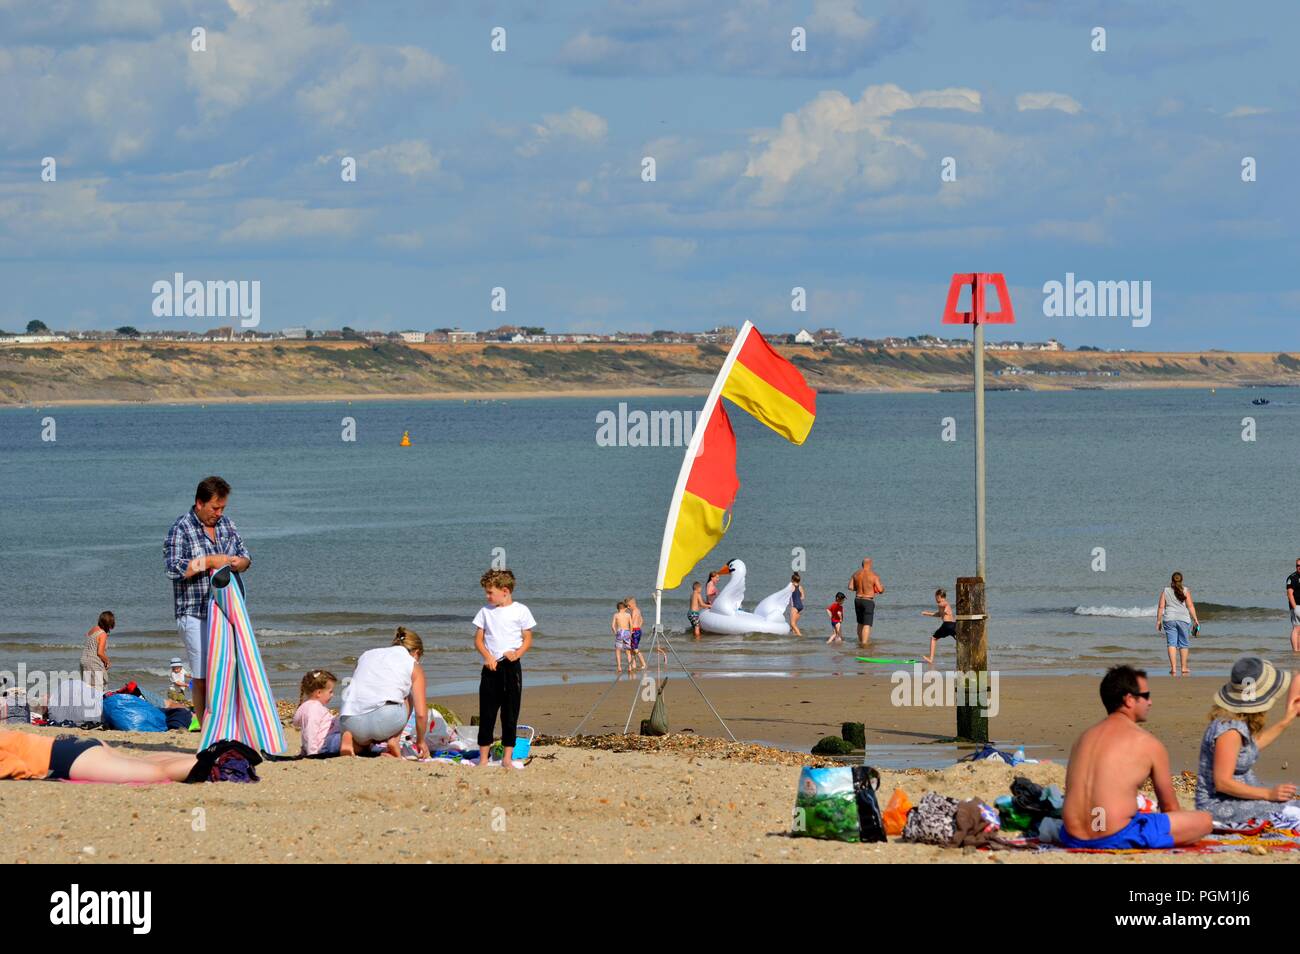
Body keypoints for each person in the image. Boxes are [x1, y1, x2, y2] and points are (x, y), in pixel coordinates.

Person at [1060, 665, 1212, 850]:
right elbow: (1170, 807)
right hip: (1114, 835)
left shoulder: (1083, 738)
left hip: (1071, 835)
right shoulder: (1148, 743)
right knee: (1204, 820)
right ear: (1130, 700)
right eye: (1146, 696)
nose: (1150, 702)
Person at [163, 476, 251, 724]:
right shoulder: (181, 528)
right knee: (203, 674)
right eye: (215, 508)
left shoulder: (227, 525)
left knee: (227, 670)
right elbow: (174, 568)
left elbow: (246, 556)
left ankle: (226, 722)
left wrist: (238, 563)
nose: (219, 513)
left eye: (222, 507)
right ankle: (205, 728)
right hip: (194, 612)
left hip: (226, 611)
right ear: (199, 503)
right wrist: (211, 561)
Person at [1195, 656, 1300, 827]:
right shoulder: (1230, 730)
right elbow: (1222, 783)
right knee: (1294, 814)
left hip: (1236, 802)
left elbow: (1250, 748)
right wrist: (1269, 794)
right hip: (1220, 807)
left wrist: (1286, 720)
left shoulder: (1236, 724)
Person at [474, 568, 535, 768]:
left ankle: (507, 758)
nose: (487, 596)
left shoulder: (521, 610)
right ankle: (483, 758)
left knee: (510, 714)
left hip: (511, 667)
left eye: (490, 592)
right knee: (487, 713)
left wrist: (517, 653)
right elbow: (478, 640)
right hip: (491, 668)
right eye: (486, 592)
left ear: (505, 591)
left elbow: (527, 638)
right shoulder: (485, 612)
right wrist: (487, 656)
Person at [339, 628, 428, 759]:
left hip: (350, 720)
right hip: (386, 719)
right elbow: (421, 714)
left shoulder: (367, 654)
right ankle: (394, 740)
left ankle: (349, 739)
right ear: (417, 653)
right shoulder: (412, 664)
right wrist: (421, 741)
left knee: (362, 745)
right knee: (408, 696)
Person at [0, 730, 197, 783]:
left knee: (159, 773)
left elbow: (14, 765)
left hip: (66, 759)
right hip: (68, 745)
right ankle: (208, 756)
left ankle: (217, 762)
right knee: (144, 762)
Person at [1156, 571, 1199, 676]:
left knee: (1171, 644)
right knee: (1183, 644)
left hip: (1169, 619)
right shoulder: (1185, 590)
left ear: (1172, 580)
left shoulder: (1165, 591)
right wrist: (1195, 619)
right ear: (1181, 580)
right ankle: (1184, 668)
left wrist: (1158, 620)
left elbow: (1161, 607)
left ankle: (1174, 668)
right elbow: (1190, 606)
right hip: (1183, 619)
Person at [294, 669, 342, 757]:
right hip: (324, 744)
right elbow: (310, 732)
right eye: (330, 692)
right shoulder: (315, 708)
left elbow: (296, 722)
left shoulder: (305, 706)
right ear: (319, 693)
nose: (332, 695)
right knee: (348, 737)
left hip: (322, 743)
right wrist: (312, 753)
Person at [847, 557, 885, 646]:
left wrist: (859, 588)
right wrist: (882, 588)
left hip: (858, 600)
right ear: (870, 564)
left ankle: (860, 642)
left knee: (860, 622)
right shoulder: (874, 575)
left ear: (862, 564)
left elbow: (850, 587)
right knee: (867, 624)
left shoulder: (856, 574)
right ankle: (864, 644)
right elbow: (880, 590)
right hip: (868, 601)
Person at [79, 612, 114, 689]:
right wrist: (107, 661)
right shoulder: (102, 634)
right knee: (99, 689)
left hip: (84, 661)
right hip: (93, 662)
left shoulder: (92, 630)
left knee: (87, 689)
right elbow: (100, 653)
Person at [921, 588, 956, 664]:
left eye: (935, 597)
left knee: (933, 639)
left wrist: (946, 607)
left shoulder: (942, 603)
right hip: (954, 625)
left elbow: (945, 604)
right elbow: (939, 614)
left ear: (939, 596)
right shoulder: (942, 605)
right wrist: (927, 613)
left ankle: (931, 659)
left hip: (947, 625)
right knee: (960, 641)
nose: (935, 599)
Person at [612, 601, 633, 673]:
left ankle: (619, 667)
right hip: (627, 632)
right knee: (628, 651)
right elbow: (631, 625)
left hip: (620, 632)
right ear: (624, 608)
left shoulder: (616, 615)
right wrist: (630, 633)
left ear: (618, 608)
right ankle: (630, 667)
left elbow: (612, 626)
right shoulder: (628, 615)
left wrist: (615, 632)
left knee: (618, 650)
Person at [626, 596, 647, 671]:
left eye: (628, 606)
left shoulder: (634, 611)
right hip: (638, 630)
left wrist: (631, 631)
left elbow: (632, 622)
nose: (628, 607)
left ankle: (643, 663)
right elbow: (642, 620)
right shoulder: (638, 610)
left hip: (634, 631)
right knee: (632, 648)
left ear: (632, 604)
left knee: (635, 648)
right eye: (627, 606)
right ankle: (634, 665)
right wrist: (639, 627)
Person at [1287, 559, 1300, 652]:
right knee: (1296, 628)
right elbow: (1290, 594)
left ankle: (1298, 650)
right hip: (1296, 606)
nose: (1299, 567)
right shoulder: (1292, 578)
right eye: (1297, 565)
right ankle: (1295, 650)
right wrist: (1295, 608)